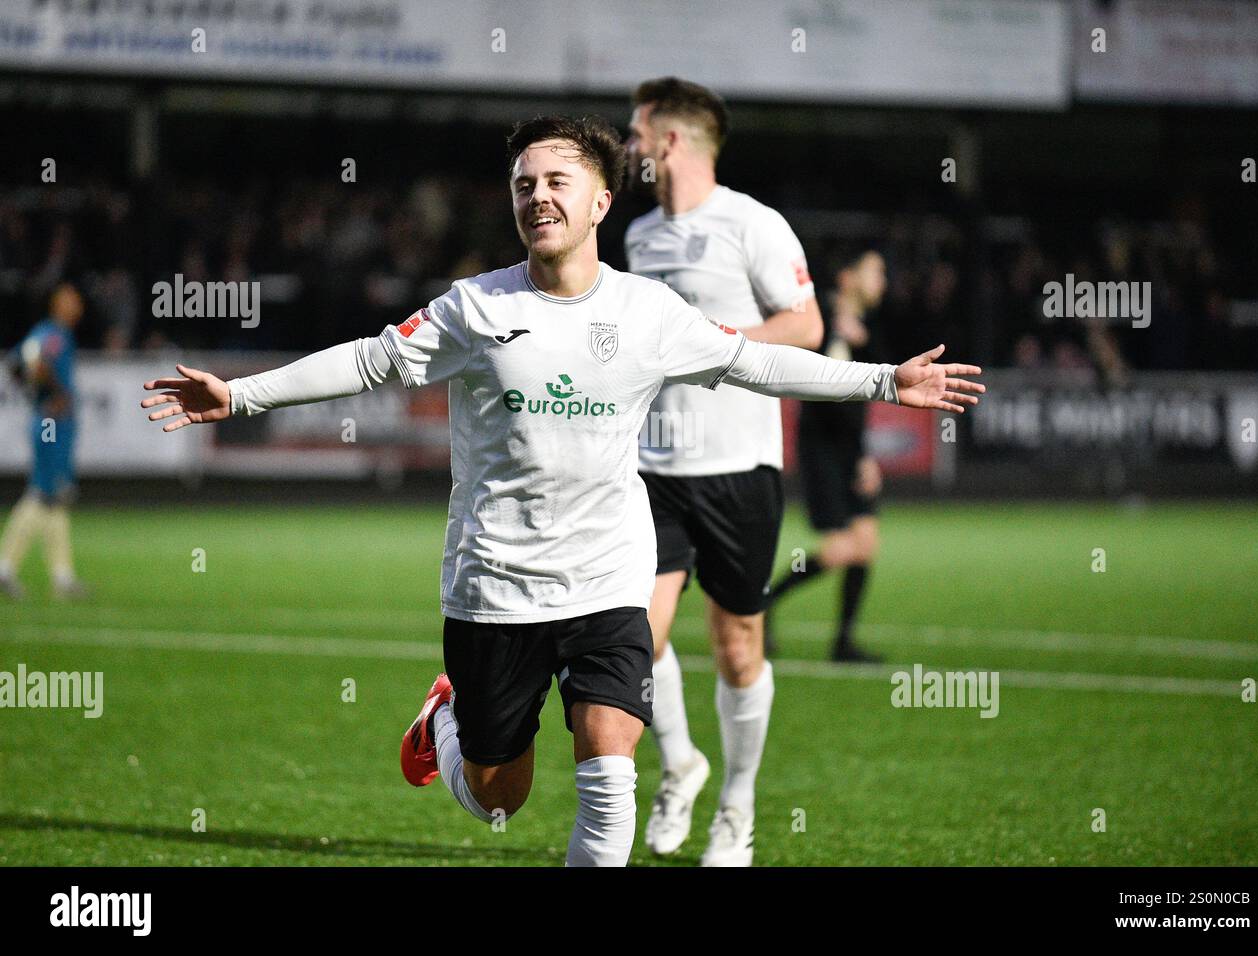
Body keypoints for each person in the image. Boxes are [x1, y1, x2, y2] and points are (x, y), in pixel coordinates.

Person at [140, 115, 983, 867]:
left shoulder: (650, 312)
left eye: (556, 181)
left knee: (611, 782)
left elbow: (754, 361)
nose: (537, 196)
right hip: (494, 587)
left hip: (608, 577)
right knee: (501, 797)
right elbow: (367, 359)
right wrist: (241, 394)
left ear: (601, 202)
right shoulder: (473, 308)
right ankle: (448, 720)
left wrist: (882, 379)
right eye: (523, 185)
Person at [623, 77, 825, 864]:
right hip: (650, 470)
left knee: (739, 646)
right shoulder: (638, 236)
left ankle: (736, 804)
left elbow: (806, 325)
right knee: (632, 635)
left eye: (638, 134)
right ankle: (680, 763)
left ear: (671, 140)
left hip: (739, 467)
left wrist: (718, 338)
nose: (630, 147)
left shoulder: (752, 224)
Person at [767, 251, 891, 663]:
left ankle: (843, 642)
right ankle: (763, 603)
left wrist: (864, 454)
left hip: (851, 450)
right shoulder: (825, 324)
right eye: (874, 271)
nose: (881, 281)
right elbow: (831, 399)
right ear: (847, 276)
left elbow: (855, 402)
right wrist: (859, 455)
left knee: (866, 544)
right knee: (842, 548)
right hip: (825, 451)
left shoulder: (860, 328)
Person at [0, 283, 90, 600]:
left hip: (49, 419)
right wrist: (54, 393)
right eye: (71, 300)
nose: (76, 306)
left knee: (56, 496)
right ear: (57, 304)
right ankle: (4, 567)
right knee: (43, 493)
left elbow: (15, 363)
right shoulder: (53, 334)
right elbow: (35, 363)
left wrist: (34, 391)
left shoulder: (49, 333)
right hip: (51, 423)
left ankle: (62, 578)